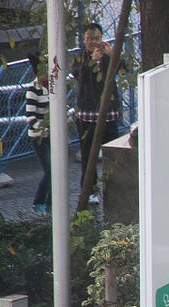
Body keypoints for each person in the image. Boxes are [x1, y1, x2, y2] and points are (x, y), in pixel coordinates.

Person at [74, 23, 119, 203]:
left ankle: (113, 189)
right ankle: (90, 190)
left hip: (109, 114)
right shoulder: (80, 57)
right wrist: (92, 60)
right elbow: (79, 76)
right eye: (90, 38)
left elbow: (123, 68)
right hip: (87, 115)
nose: (94, 42)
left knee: (112, 155)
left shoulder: (108, 56)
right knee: (88, 154)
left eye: (97, 38)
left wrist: (112, 54)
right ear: (84, 40)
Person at [24, 53, 51, 216]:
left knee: (56, 170)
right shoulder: (33, 89)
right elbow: (30, 117)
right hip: (38, 137)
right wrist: (45, 127)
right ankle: (38, 202)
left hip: (52, 135)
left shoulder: (53, 87)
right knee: (50, 171)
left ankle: (50, 204)